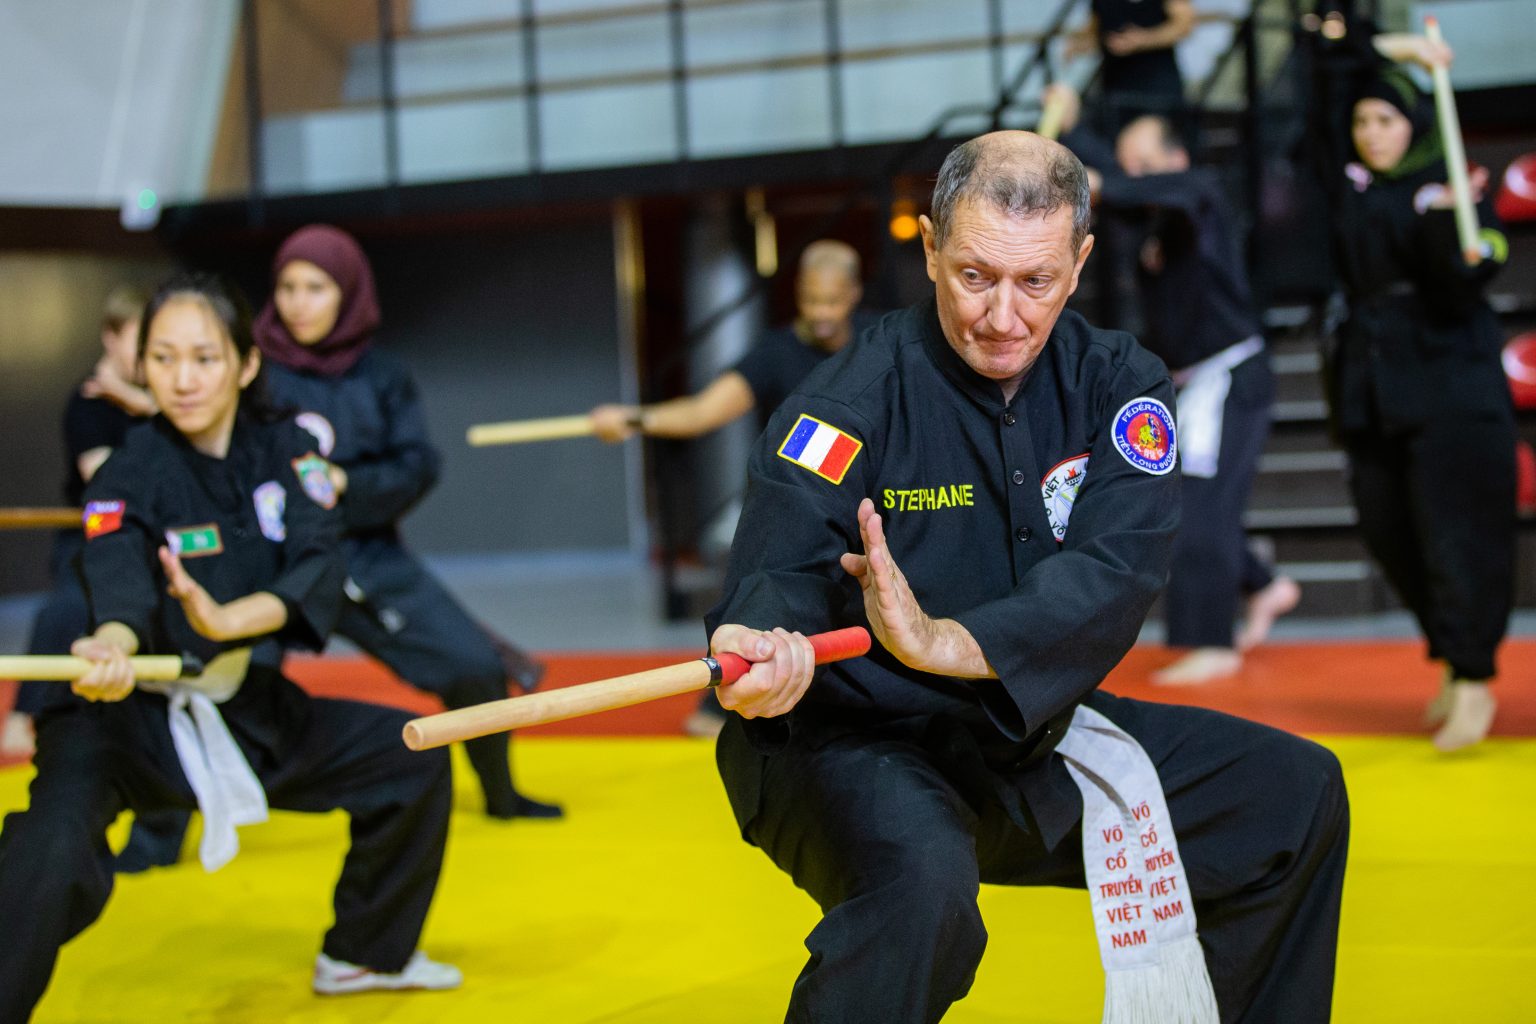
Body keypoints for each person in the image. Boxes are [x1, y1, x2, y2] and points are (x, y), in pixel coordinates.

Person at [705, 131, 1349, 1022]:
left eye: (1035, 281)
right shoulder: (846, 403)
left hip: (1028, 738)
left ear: (1079, 263)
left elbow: (1116, 572)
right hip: (853, 746)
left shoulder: (1120, 387)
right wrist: (762, 643)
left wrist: (945, 641)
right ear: (930, 248)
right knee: (924, 898)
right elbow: (780, 567)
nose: (1002, 317)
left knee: (1292, 797)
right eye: (975, 276)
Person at [0, 274, 460, 1021]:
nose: (182, 380)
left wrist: (227, 621)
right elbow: (114, 572)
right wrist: (114, 641)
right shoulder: (125, 472)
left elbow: (318, 560)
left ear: (246, 364)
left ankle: (363, 954)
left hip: (241, 705)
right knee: (45, 857)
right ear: (141, 365)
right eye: (162, 358)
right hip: (119, 719)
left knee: (409, 758)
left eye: (204, 358)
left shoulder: (290, 450)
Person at [254, 224, 560, 820]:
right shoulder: (251, 372)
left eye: (315, 288)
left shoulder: (382, 375)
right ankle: (160, 833)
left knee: (473, 665)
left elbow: (416, 464)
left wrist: (348, 484)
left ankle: (501, 793)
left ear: (347, 292)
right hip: (271, 563)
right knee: (215, 673)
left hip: (364, 554)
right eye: (287, 288)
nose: (297, 303)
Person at [1308, 24, 1515, 751]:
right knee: (1387, 529)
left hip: (1450, 385)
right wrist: (1405, 52)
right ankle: (1452, 656)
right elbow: (1329, 59)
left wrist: (1465, 241)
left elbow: (1475, 266)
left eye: (1386, 119)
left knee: (1457, 537)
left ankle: (1473, 674)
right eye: (1363, 120)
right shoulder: (1351, 185)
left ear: (1415, 125)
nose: (1372, 133)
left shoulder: (1448, 186)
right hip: (1372, 387)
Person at [1051, 84, 1301, 684]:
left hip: (1230, 374)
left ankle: (1213, 641)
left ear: (1176, 159)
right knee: (1184, 496)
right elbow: (1118, 179)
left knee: (1196, 501)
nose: (1132, 176)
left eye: (1145, 165)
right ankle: (1264, 584)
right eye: (1127, 165)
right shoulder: (1153, 215)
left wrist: (1102, 178)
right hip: (1196, 379)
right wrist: (1071, 124)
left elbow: (1133, 185)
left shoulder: (1199, 194)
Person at [588, 239, 875, 737]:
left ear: (853, 294)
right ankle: (725, 701)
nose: (820, 313)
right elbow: (704, 411)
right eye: (810, 300)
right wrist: (633, 419)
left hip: (866, 505)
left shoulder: (878, 341)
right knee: (763, 595)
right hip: (795, 508)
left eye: (831, 300)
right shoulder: (775, 353)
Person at [5, 288, 153, 760]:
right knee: (67, 607)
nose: (149, 356)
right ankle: (23, 715)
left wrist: (140, 403)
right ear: (111, 338)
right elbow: (108, 479)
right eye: (140, 341)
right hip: (92, 534)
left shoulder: (164, 401)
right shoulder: (89, 400)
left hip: (155, 537)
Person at [1064, 0, 1196, 129]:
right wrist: (1077, 46)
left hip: (1157, 88)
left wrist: (1143, 40)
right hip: (1115, 89)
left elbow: (1184, 25)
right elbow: (1094, 31)